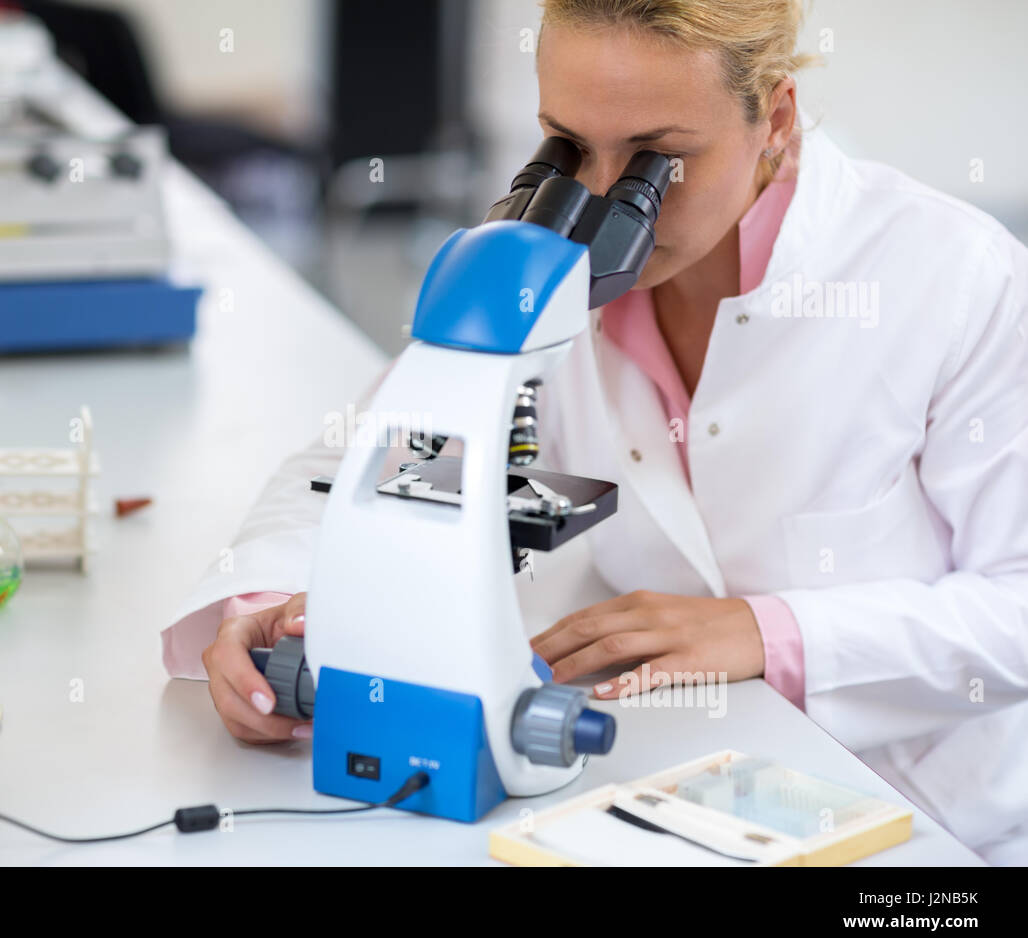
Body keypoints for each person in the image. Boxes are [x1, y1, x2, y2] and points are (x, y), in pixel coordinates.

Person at [163, 0, 1028, 864]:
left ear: (776, 118)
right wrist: (263, 612)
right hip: (657, 788)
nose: (609, 199)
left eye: (663, 159)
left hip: (923, 827)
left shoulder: (951, 279)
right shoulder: (534, 263)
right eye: (568, 145)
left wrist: (775, 631)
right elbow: (364, 459)